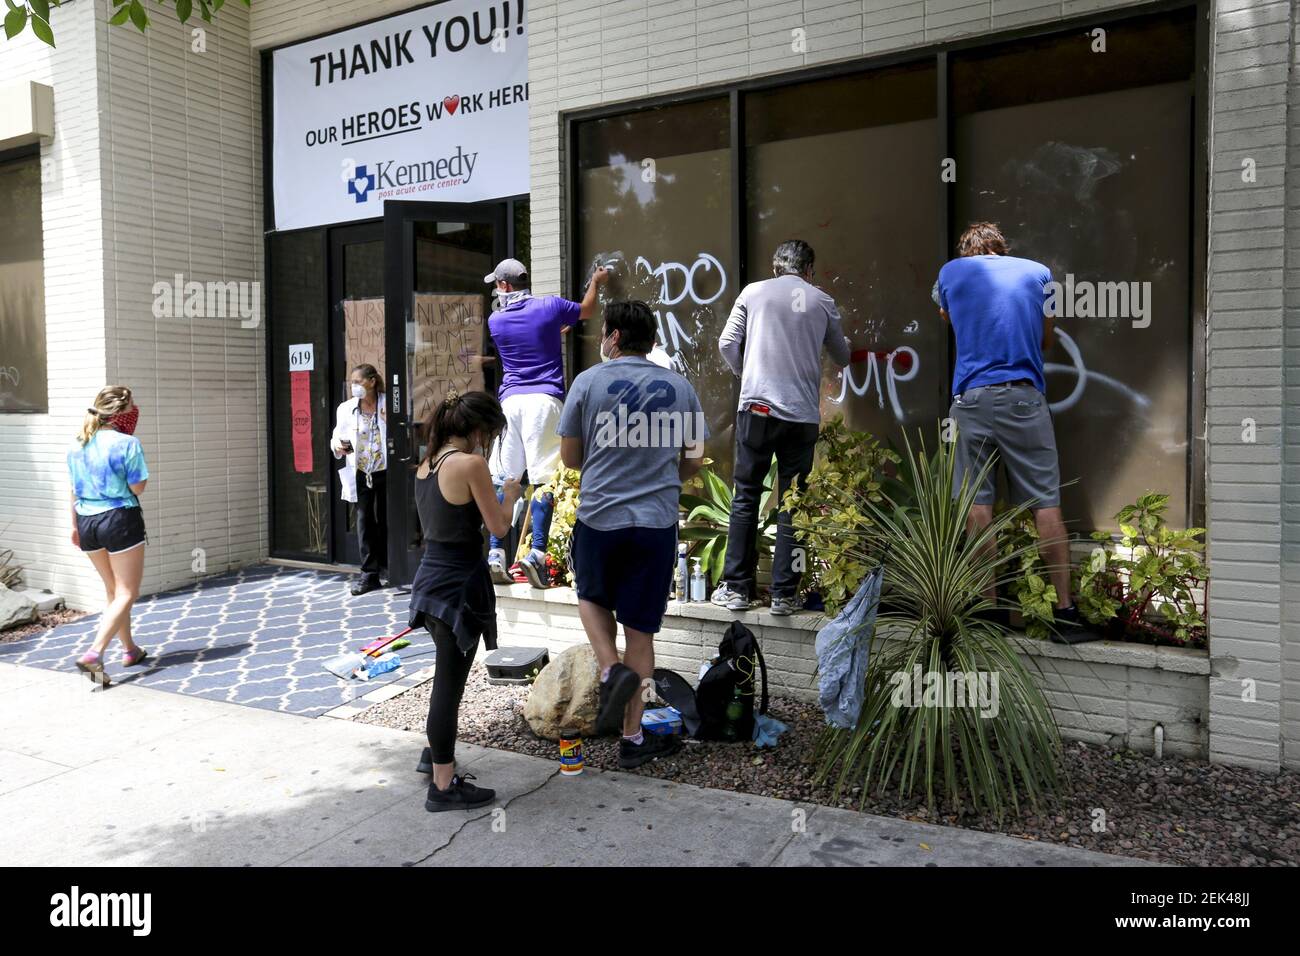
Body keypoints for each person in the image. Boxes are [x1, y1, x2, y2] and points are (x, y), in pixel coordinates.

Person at [559, 300, 708, 769]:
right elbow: (695, 459)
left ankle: (608, 667)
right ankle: (632, 737)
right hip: (655, 523)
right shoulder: (681, 388)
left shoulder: (587, 382)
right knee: (640, 633)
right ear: (653, 341)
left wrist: (608, 464)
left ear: (615, 337)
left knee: (591, 597)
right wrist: (658, 472)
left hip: (600, 519)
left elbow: (568, 457)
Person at [935, 221, 1090, 642]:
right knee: (1045, 503)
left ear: (968, 251)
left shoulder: (951, 273)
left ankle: (988, 614)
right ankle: (1065, 615)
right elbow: (1046, 339)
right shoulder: (1038, 272)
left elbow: (949, 317)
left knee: (978, 508)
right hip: (1024, 399)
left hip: (971, 401)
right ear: (1002, 248)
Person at [714, 239, 850, 615]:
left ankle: (737, 589)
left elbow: (727, 343)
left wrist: (748, 375)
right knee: (795, 504)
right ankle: (784, 595)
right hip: (800, 417)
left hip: (756, 409)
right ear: (809, 270)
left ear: (776, 267)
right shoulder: (820, 300)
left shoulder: (752, 293)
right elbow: (842, 355)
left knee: (746, 498)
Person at [408, 389, 522, 811]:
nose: (488, 443)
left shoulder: (428, 463)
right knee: (448, 683)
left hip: (431, 582)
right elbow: (499, 525)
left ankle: (434, 755)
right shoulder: (470, 464)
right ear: (478, 429)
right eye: (490, 434)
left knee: (446, 677)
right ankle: (443, 786)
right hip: (458, 588)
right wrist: (510, 494)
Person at [484, 258, 610, 588]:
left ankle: (496, 552)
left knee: (506, 480)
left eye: (496, 284)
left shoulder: (495, 320)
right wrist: (595, 281)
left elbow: (526, 335)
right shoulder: (550, 306)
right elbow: (586, 310)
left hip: (510, 404)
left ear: (505, 286)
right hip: (546, 402)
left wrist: (551, 330)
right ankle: (536, 553)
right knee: (544, 482)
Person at [67, 385, 150, 686]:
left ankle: (129, 649)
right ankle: (94, 653)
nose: (136, 412)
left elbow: (74, 490)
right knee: (127, 592)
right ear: (121, 413)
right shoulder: (128, 443)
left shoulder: (79, 443)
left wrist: (75, 526)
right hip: (119, 519)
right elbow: (138, 487)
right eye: (133, 407)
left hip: (87, 521)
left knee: (114, 591)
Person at [330, 364, 388, 596]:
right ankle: (369, 574)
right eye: (352, 382)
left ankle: (390, 567)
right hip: (361, 472)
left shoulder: (389, 403)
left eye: (358, 381)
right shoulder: (345, 408)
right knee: (364, 523)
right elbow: (336, 436)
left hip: (386, 470)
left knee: (386, 520)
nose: (354, 386)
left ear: (372, 381)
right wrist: (338, 446)